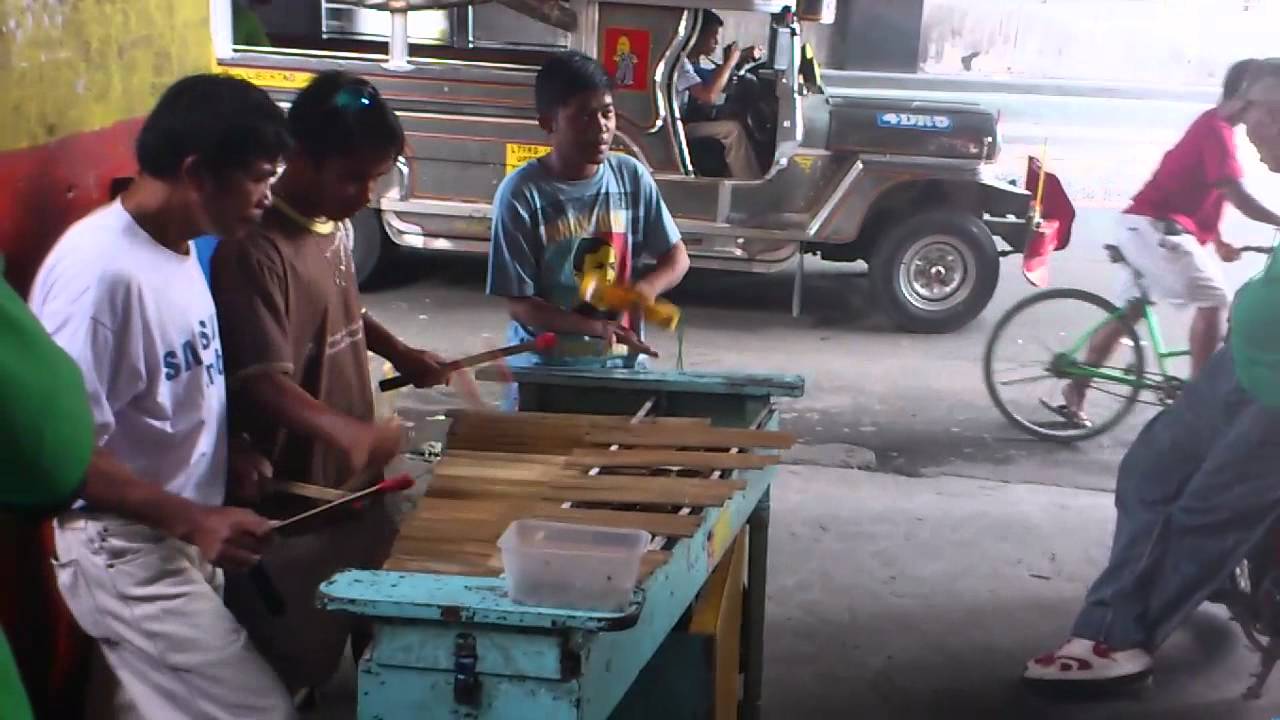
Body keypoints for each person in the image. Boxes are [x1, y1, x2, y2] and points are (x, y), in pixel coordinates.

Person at [26, 74, 297, 718]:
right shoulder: (98, 278)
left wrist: (223, 452)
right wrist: (195, 518)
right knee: (258, 712)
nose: (266, 198)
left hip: (168, 532)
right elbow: (64, 456)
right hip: (121, 547)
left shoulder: (177, 246)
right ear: (198, 171)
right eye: (258, 178)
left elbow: (164, 388)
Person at [1024, 61, 1280, 685]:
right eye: (1246, 108)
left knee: (1202, 511)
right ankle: (1166, 594)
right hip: (1242, 366)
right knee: (1151, 472)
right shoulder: (1227, 134)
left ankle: (1119, 640)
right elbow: (1223, 168)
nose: (1248, 123)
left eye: (1265, 111)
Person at [210, 70, 448, 697]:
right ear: (299, 160)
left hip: (361, 493)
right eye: (352, 177)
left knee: (393, 652)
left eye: (376, 178)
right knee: (290, 676)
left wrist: (401, 352)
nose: (364, 195)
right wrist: (349, 431)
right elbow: (263, 383)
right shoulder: (253, 251)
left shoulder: (334, 229)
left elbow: (340, 308)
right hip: (295, 512)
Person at [1055, 58, 1280, 425]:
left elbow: (1210, 193)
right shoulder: (1218, 132)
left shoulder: (1212, 127)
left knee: (1128, 312)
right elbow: (1233, 192)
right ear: (1245, 96)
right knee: (1214, 300)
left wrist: (1220, 240)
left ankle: (1076, 389)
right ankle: (1200, 395)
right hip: (1154, 227)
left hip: (1140, 224)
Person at [486, 49, 690, 401]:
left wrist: (647, 289)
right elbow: (521, 304)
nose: (602, 127)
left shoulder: (630, 176)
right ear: (549, 123)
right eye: (584, 116)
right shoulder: (521, 194)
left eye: (607, 113)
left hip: (622, 369)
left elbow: (677, 257)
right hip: (545, 373)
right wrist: (595, 328)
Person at [674, 10, 764, 179]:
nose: (716, 42)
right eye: (712, 36)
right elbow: (709, 96)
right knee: (733, 131)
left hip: (686, 121)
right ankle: (749, 184)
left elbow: (712, 80)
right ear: (695, 35)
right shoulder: (680, 63)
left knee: (732, 118)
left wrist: (736, 61)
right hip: (677, 128)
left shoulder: (690, 63)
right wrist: (730, 62)